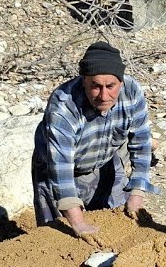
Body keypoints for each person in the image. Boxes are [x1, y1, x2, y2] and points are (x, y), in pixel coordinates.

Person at [32, 41, 156, 237]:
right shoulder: (64, 105)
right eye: (95, 86)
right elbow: (60, 166)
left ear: (121, 82)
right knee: (60, 235)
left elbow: (141, 143)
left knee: (120, 225)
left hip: (105, 160)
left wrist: (137, 192)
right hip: (57, 169)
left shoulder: (132, 92)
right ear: (84, 81)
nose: (104, 96)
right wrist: (78, 223)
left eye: (110, 86)